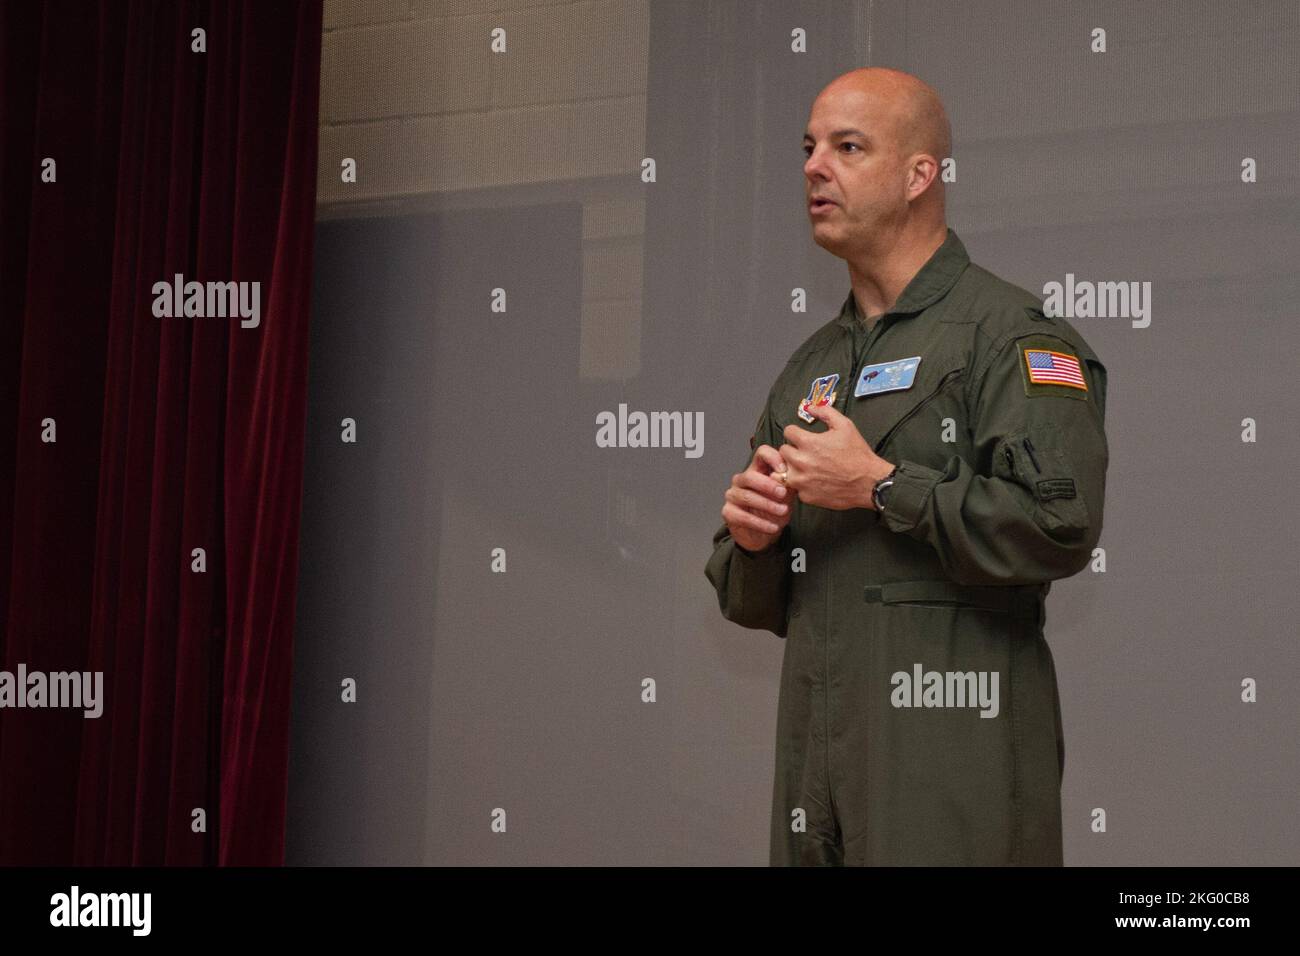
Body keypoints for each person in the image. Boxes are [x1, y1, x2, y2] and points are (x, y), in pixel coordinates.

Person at [704, 67, 1109, 866]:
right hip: (818, 779)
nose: (815, 167)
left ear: (920, 174)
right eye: (810, 148)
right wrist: (751, 541)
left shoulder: (1011, 336)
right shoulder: (810, 368)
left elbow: (1059, 527)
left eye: (848, 147)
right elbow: (752, 599)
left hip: (954, 770)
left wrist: (882, 486)